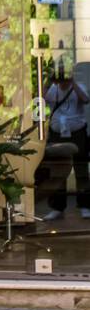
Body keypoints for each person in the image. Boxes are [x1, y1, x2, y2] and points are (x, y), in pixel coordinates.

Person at [42, 66, 90, 220]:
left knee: (80, 168)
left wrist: (73, 83)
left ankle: (84, 205)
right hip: (58, 134)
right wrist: (48, 81)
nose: (62, 81)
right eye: (60, 78)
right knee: (58, 169)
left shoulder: (78, 87)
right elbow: (41, 100)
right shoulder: (53, 89)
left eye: (64, 78)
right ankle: (57, 207)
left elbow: (86, 100)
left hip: (77, 133)